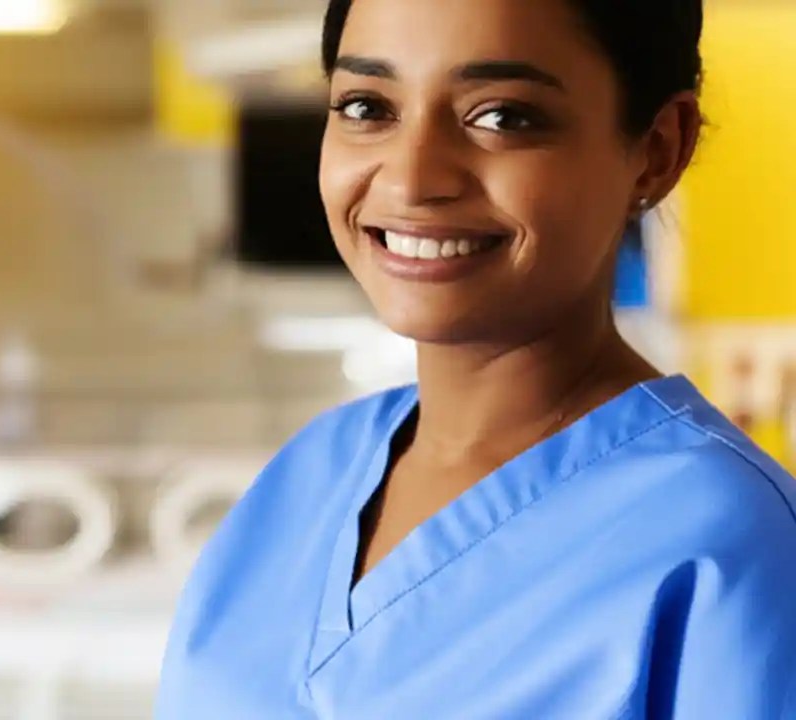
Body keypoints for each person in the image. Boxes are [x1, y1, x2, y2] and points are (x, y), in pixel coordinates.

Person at [155, 0, 796, 717]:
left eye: (503, 117)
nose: (411, 180)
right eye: (367, 106)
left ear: (656, 149)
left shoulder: (730, 545)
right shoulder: (306, 477)